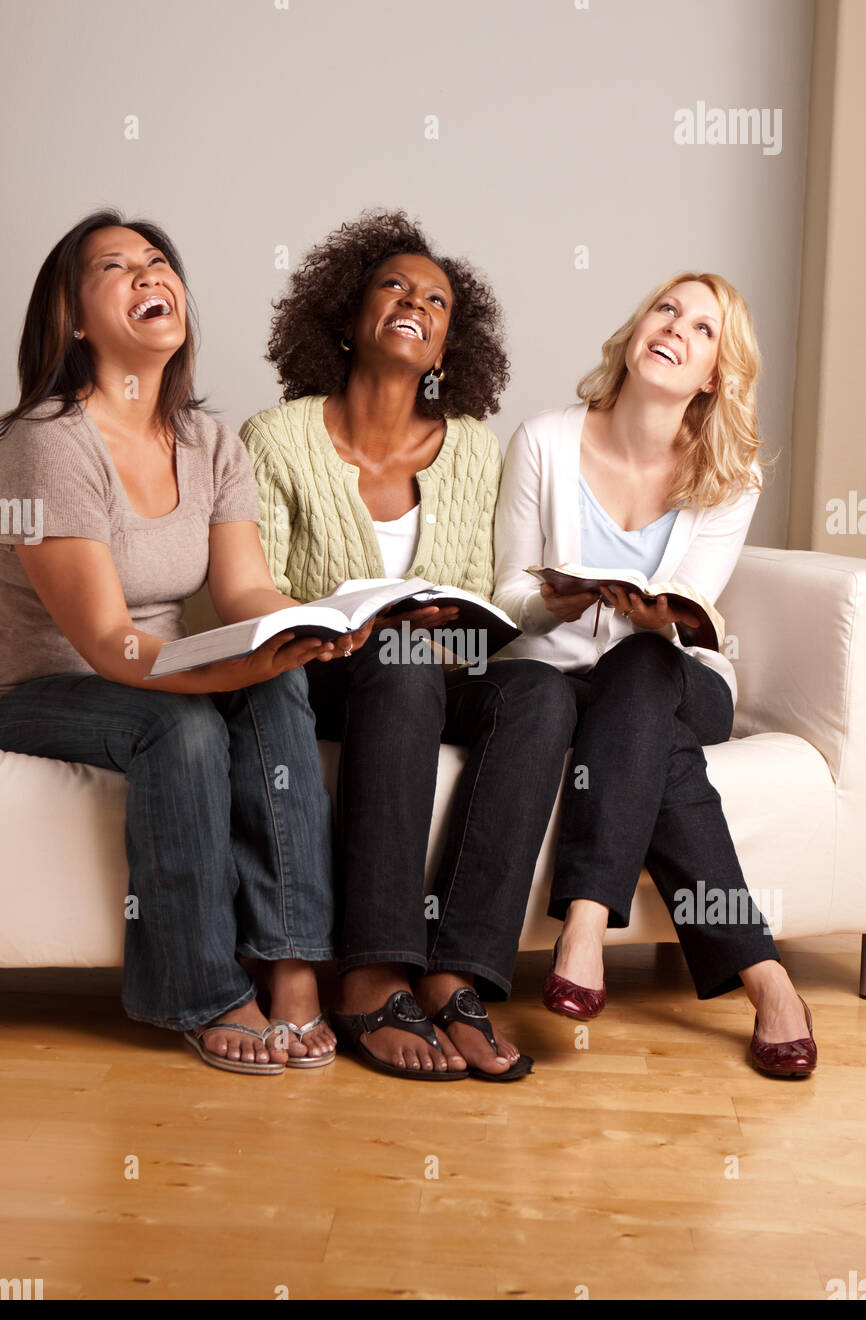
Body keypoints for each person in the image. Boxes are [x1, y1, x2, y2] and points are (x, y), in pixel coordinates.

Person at [0, 210, 368, 1074]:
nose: (148, 275)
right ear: (75, 320)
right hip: (46, 688)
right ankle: (199, 991)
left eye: (158, 262)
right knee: (183, 725)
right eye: (115, 267)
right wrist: (223, 671)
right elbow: (102, 641)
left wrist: (306, 626)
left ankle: (292, 964)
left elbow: (243, 590)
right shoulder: (44, 443)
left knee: (278, 680)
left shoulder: (210, 441)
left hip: (148, 667)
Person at [241, 210, 576, 1082]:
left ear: (445, 351)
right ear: (348, 317)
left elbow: (478, 601)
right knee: (395, 663)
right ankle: (373, 973)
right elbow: (255, 592)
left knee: (541, 692)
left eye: (437, 300)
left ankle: (457, 973)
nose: (415, 302)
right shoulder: (278, 438)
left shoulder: (471, 449)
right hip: (316, 674)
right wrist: (366, 626)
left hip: (432, 670)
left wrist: (447, 627)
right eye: (394, 285)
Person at [492, 272, 817, 1078]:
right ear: (638, 329)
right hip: (565, 682)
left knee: (643, 661)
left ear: (714, 373)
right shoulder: (543, 440)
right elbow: (505, 595)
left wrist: (659, 617)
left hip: (678, 678)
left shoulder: (729, 476)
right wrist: (555, 603)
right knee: (657, 755)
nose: (676, 327)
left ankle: (585, 926)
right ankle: (768, 979)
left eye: (704, 329)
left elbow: (693, 612)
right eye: (667, 309)